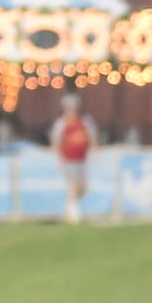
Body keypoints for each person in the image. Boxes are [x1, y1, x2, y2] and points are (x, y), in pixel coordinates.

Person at [52, 94, 96, 223]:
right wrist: (59, 157)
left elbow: (91, 137)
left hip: (82, 158)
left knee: (83, 188)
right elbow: (56, 142)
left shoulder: (84, 122)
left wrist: (95, 151)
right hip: (69, 159)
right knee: (73, 185)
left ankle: (70, 204)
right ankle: (74, 212)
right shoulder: (61, 124)